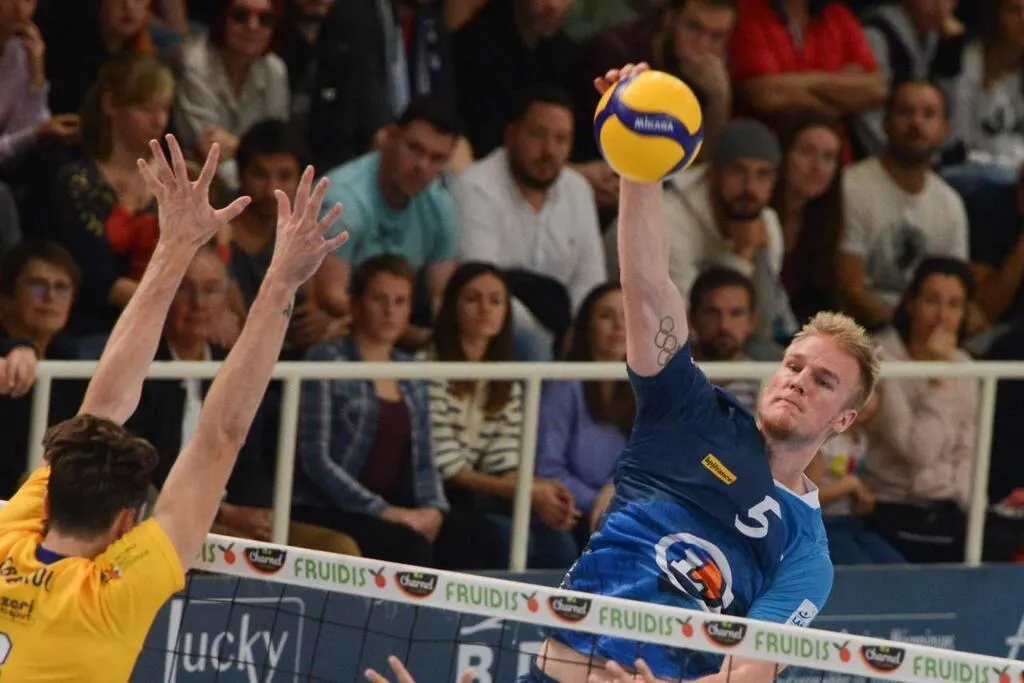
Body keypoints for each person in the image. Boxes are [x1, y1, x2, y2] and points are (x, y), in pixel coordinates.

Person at [526, 62, 881, 683]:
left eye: (823, 381)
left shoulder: (806, 551)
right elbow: (649, 289)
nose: (798, 380)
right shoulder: (689, 415)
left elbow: (753, 670)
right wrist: (640, 169)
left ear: (845, 418)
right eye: (794, 365)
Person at [0, 134, 345, 682]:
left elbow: (105, 406)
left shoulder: (8, 535)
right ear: (124, 523)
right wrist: (282, 282)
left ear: (48, 487)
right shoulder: (109, 598)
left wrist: (173, 245)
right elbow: (220, 438)